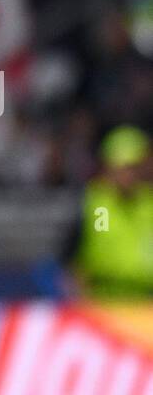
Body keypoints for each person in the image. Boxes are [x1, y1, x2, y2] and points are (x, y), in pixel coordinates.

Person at [68, 125, 153, 299]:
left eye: (134, 167)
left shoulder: (148, 204)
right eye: (122, 167)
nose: (128, 174)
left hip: (147, 303)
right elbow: (72, 260)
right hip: (104, 302)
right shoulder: (96, 205)